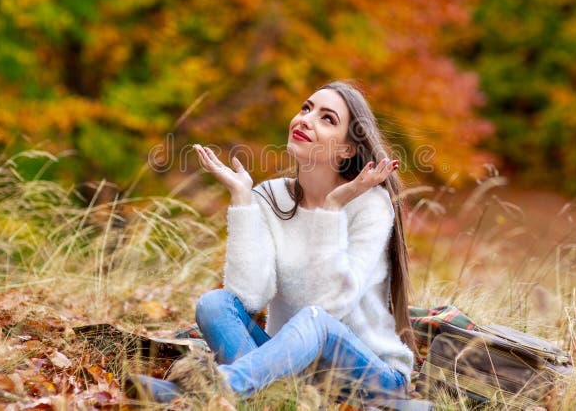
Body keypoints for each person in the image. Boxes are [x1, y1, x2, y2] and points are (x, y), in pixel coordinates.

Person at [129, 80, 417, 405]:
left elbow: (330, 307)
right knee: (214, 304)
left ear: (348, 148)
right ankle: (265, 397)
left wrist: (332, 209)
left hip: (371, 377)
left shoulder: (370, 204)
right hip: (285, 369)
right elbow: (249, 297)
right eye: (306, 108)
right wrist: (242, 200)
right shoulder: (271, 196)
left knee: (314, 320)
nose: (305, 119)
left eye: (327, 118)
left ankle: (214, 392)